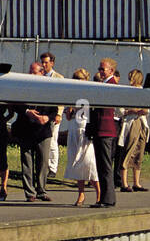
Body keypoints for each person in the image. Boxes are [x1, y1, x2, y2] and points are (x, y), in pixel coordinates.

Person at [13, 64, 54, 203]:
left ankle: (42, 190)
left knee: (43, 162)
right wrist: (27, 111)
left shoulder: (49, 88)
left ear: (41, 73)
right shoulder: (22, 87)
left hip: (43, 131)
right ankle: (30, 192)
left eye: (34, 72)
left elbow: (54, 108)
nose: (30, 74)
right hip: (26, 130)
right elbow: (15, 104)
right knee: (27, 162)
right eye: (30, 71)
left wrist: (47, 117)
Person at [64, 69, 100, 206]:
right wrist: (70, 109)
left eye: (80, 79)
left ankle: (99, 193)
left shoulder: (89, 95)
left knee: (89, 163)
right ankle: (81, 194)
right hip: (74, 129)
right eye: (76, 79)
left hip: (85, 130)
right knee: (76, 162)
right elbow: (68, 117)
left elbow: (89, 113)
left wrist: (78, 107)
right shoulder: (72, 94)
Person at [89, 57, 121, 208]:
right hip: (100, 129)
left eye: (103, 69)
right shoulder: (104, 84)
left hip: (105, 129)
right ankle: (105, 198)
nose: (100, 71)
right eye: (99, 69)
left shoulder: (111, 85)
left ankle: (107, 198)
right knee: (101, 166)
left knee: (105, 165)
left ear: (111, 71)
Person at [120, 69, 150, 192]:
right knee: (129, 150)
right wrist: (131, 111)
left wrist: (144, 110)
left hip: (141, 121)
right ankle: (124, 183)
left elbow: (147, 109)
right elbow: (121, 110)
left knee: (139, 151)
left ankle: (136, 182)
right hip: (132, 121)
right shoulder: (127, 92)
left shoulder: (144, 92)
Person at [40, 52, 64, 179]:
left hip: (53, 113)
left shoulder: (58, 78)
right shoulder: (40, 76)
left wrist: (59, 114)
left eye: (46, 62)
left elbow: (61, 98)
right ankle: (44, 165)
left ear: (52, 63)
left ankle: (53, 168)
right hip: (42, 113)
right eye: (42, 62)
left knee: (53, 141)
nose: (44, 65)